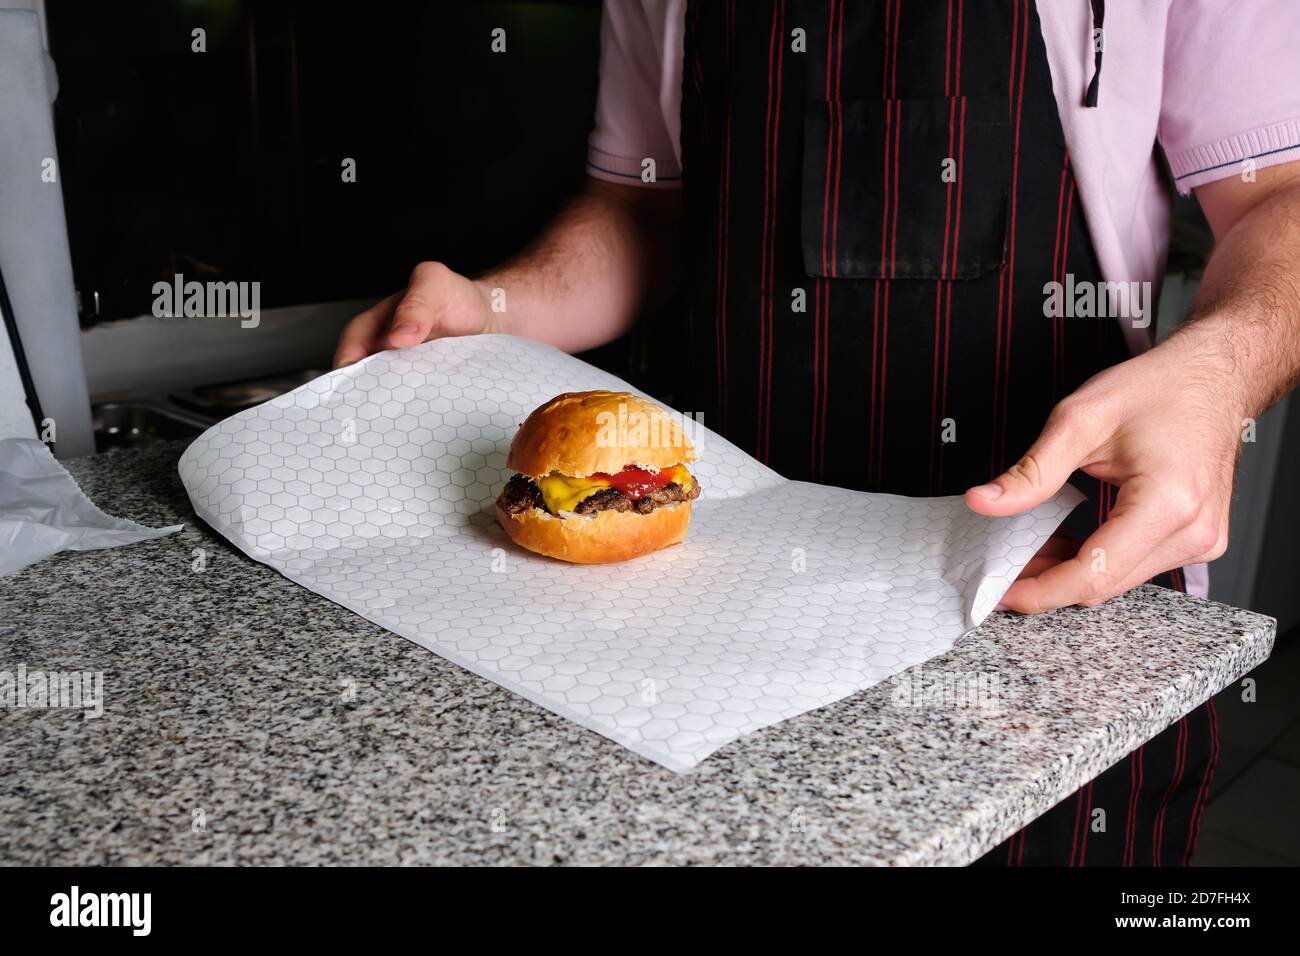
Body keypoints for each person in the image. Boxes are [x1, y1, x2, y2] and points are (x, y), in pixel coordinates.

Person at [334, 1, 1300, 865]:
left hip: (1043, 593)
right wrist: (494, 305)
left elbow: (1276, 196)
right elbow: (641, 206)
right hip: (709, 597)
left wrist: (1222, 373)